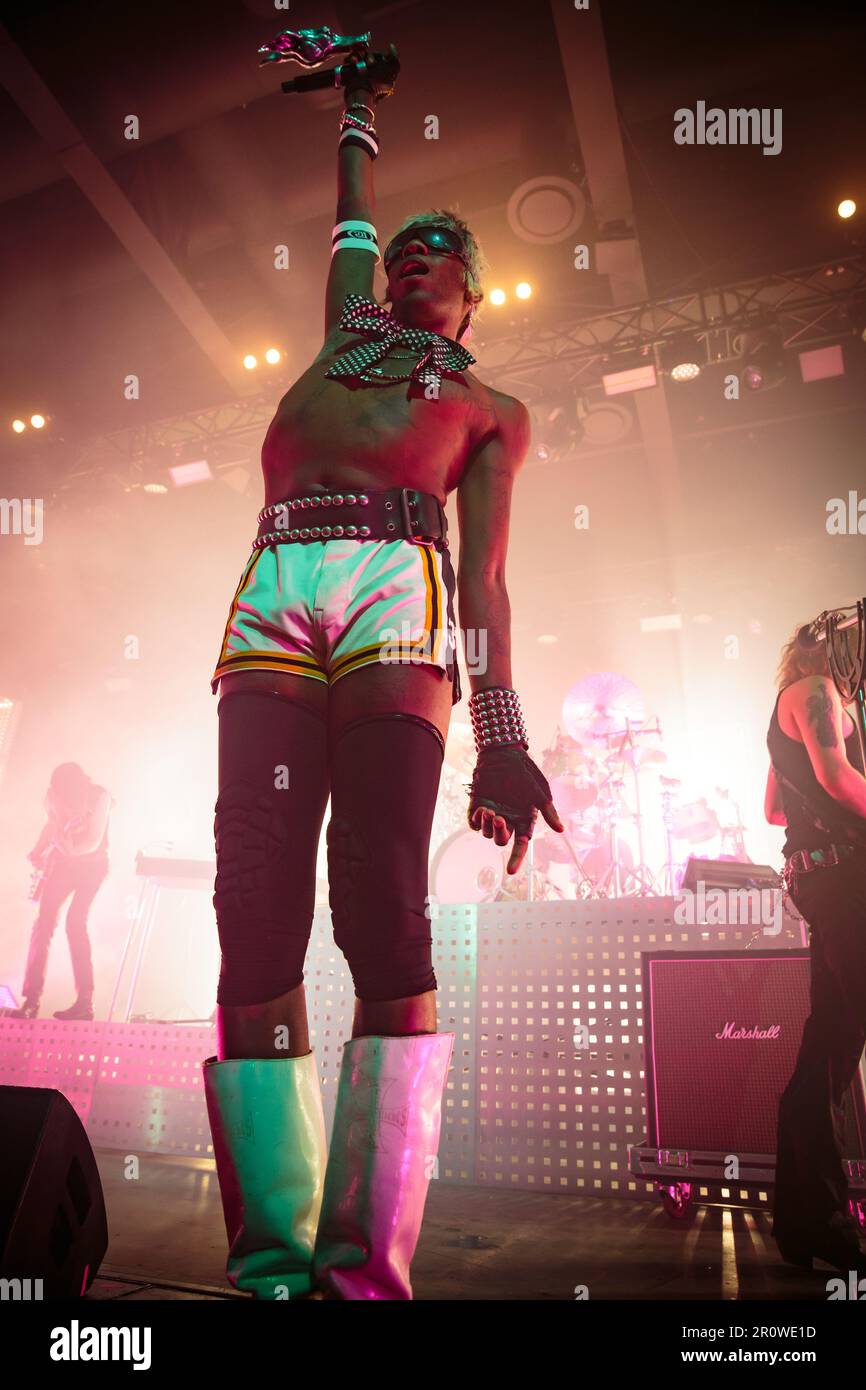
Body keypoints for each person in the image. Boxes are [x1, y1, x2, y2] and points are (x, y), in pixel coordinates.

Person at [201, 60, 563, 1300]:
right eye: (397, 251)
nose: (406, 261)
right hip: (275, 586)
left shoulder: (490, 408)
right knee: (250, 891)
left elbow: (489, 583)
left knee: (376, 900)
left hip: (394, 595)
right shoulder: (346, 333)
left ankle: (363, 1274)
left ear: (470, 298)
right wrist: (357, 102)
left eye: (435, 256)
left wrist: (501, 736)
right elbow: (347, 215)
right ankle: (268, 1267)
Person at [765, 623, 866, 1273]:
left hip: (824, 877)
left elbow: (775, 808)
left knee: (828, 1050)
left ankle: (809, 1222)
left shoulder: (798, 699)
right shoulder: (817, 690)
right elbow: (835, 778)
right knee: (831, 1046)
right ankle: (814, 1219)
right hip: (845, 879)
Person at [10, 762, 112, 1021]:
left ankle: (84, 1003)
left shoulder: (100, 797)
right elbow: (52, 823)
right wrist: (38, 850)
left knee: (75, 922)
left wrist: (66, 848)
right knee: (43, 924)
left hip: (93, 865)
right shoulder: (54, 796)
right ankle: (31, 1002)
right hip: (64, 865)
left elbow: (92, 841)